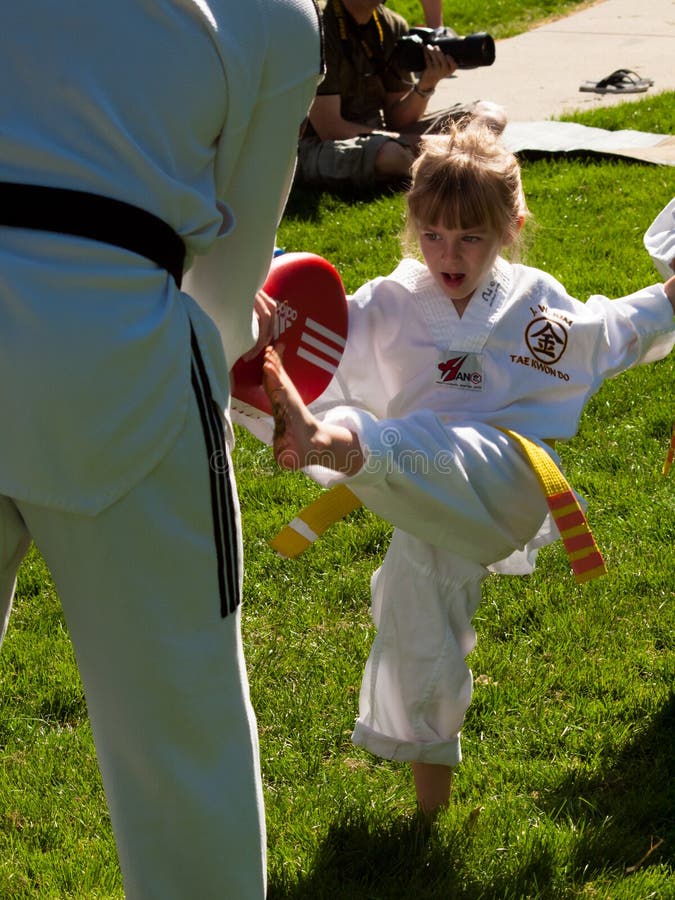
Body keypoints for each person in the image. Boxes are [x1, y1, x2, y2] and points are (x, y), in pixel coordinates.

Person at [258, 121, 675, 815]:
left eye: (470, 238)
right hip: (417, 492)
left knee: (411, 437)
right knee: (413, 619)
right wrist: (267, 326)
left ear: (511, 227)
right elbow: (316, 348)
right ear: (411, 224)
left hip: (507, 477)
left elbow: (606, 335)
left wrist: (667, 300)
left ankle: (338, 444)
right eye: (433, 236)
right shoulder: (385, 305)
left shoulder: (531, 301)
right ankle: (428, 817)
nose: (449, 255)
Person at [0, 2, 322, 898]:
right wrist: (210, 339)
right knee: (181, 745)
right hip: (113, 365)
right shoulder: (273, 17)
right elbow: (231, 281)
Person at [296, 0, 505, 189]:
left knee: (490, 115)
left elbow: (399, 119)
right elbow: (331, 128)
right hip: (319, 146)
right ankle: (463, 165)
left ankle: (455, 160)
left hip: (380, 134)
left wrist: (426, 84)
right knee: (392, 156)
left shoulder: (391, 24)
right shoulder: (319, 26)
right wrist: (412, 141)